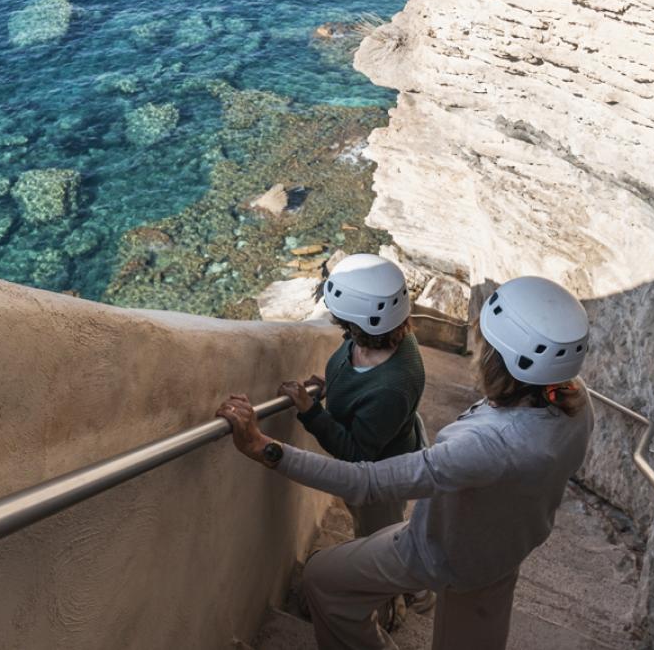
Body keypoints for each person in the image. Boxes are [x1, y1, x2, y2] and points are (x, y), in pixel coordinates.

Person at [217, 276, 594, 650]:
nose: (478, 351)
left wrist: (263, 447)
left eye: (486, 344)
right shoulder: (576, 401)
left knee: (322, 578)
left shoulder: (487, 445)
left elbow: (365, 482)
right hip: (501, 555)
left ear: (499, 360)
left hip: (439, 552)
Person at [277, 253, 426, 539]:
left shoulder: (391, 386)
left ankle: (378, 582)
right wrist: (330, 385)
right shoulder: (386, 335)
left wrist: (311, 411)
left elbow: (357, 452)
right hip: (389, 443)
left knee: (375, 537)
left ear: (358, 325)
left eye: (344, 321)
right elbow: (361, 386)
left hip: (380, 481)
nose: (338, 324)